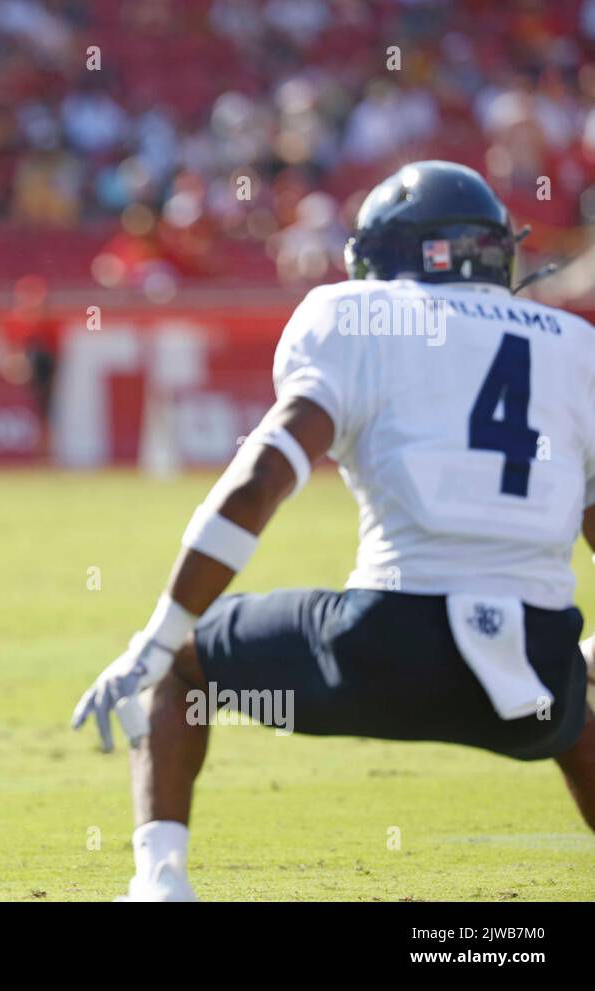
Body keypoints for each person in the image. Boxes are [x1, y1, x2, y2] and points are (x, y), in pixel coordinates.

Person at [73, 161, 595, 901]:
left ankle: (161, 885)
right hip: (533, 679)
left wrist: (155, 637)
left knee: (181, 666)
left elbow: (259, 482)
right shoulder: (576, 347)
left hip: (385, 650)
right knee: (574, 713)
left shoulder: (356, 316)